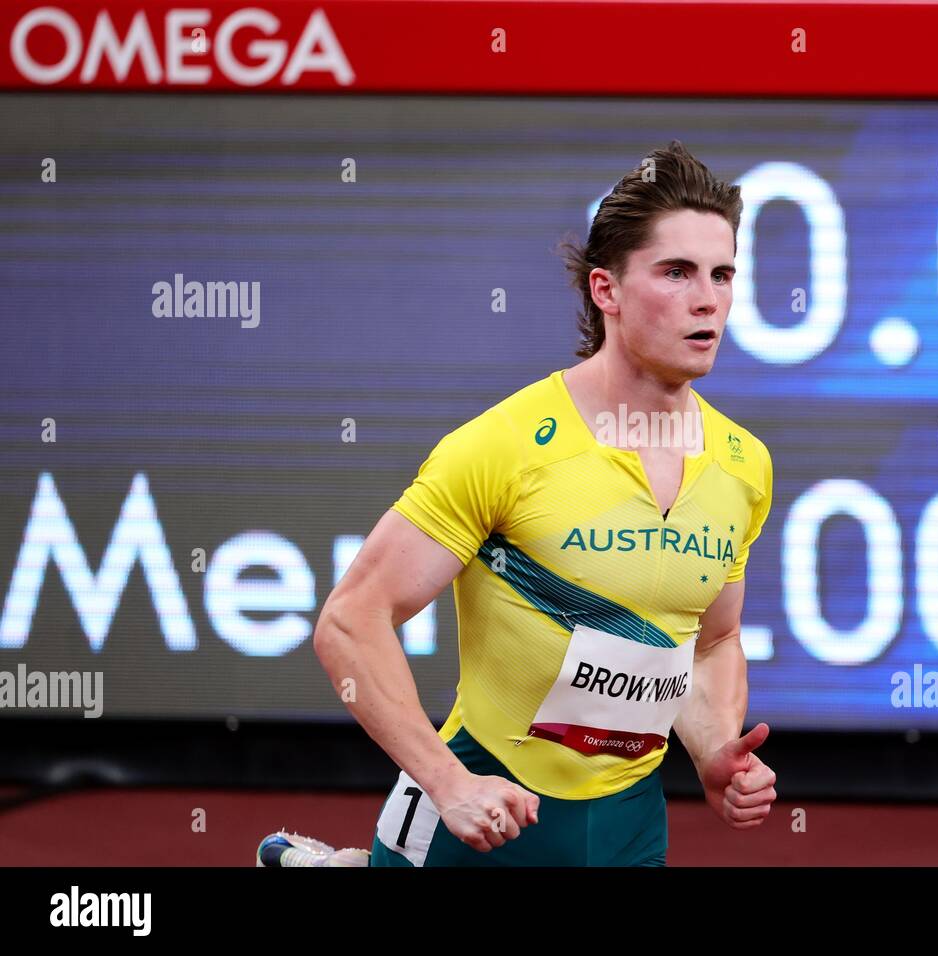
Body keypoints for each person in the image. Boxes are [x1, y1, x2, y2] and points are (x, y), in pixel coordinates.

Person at [313, 140, 776, 867]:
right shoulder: (506, 445)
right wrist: (448, 782)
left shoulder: (745, 466)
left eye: (721, 274)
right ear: (606, 291)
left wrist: (715, 746)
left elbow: (710, 641)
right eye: (676, 272)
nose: (707, 298)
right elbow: (350, 620)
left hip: (629, 825)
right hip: (484, 820)